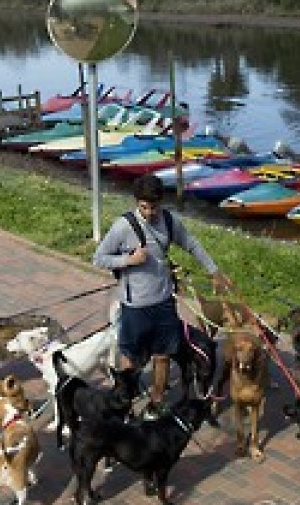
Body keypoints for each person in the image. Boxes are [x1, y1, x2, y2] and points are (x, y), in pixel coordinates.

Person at [92, 177, 231, 417]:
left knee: (163, 355)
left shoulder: (168, 221)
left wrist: (214, 271)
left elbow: (192, 244)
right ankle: (125, 401)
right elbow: (99, 258)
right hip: (135, 306)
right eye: (143, 207)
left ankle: (157, 402)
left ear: (161, 202)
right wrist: (129, 260)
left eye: (153, 207)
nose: (149, 213)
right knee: (130, 357)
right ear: (137, 203)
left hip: (164, 302)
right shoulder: (123, 226)